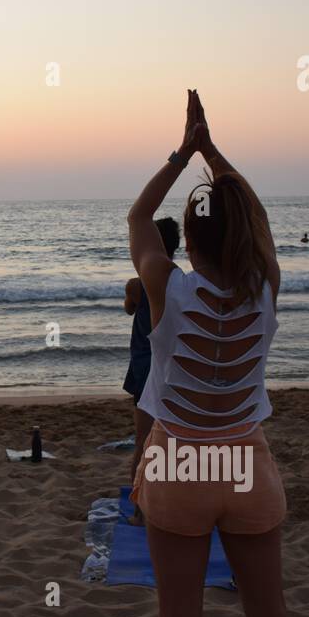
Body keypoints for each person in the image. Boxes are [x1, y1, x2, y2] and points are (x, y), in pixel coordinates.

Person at [127, 89, 294, 617]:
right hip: (246, 463)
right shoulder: (265, 287)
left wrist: (183, 153)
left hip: (177, 465)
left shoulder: (165, 286)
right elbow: (256, 215)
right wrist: (212, 152)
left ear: (189, 242)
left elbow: (139, 215)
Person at [122, 217, 179, 525]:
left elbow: (129, 308)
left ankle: (141, 511)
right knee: (174, 436)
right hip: (174, 365)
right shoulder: (183, 281)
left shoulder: (137, 285)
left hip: (145, 365)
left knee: (144, 439)